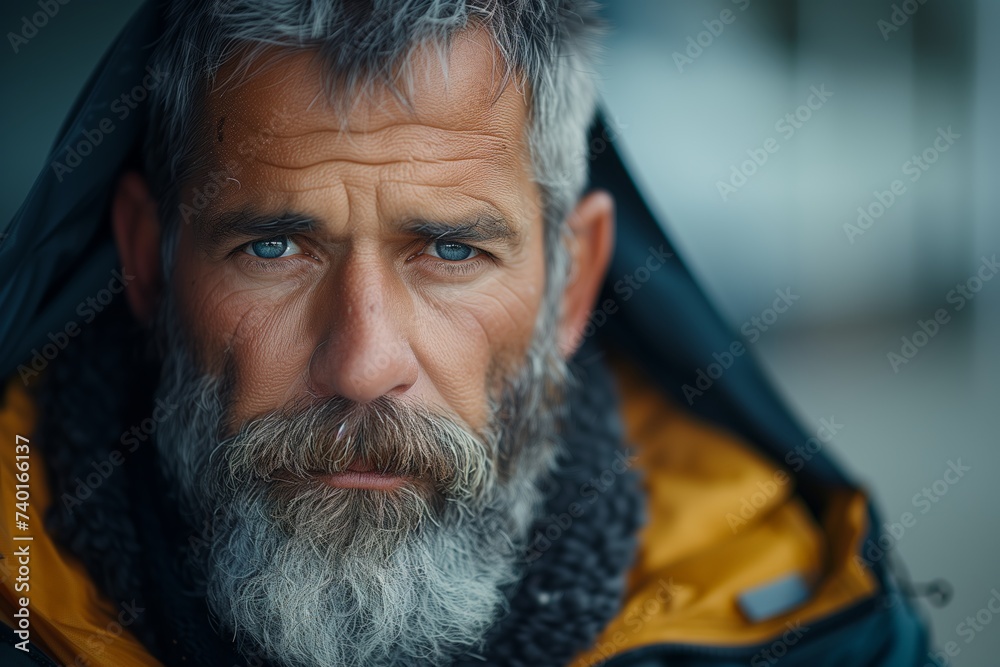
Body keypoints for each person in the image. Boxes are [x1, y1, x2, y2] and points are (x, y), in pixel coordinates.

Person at [0, 1, 930, 665]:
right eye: (274, 246)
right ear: (149, 260)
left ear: (573, 285)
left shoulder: (797, 623)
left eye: (449, 250)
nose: (363, 365)